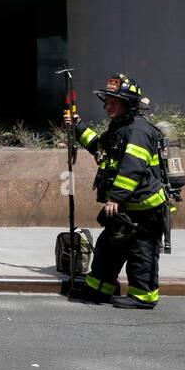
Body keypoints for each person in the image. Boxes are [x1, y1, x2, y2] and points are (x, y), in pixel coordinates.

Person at [64, 73, 167, 309]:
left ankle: (143, 297)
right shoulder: (120, 127)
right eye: (107, 102)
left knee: (141, 253)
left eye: (114, 102)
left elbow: (133, 167)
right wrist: (78, 126)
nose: (108, 106)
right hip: (126, 208)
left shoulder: (139, 131)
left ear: (128, 104)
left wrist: (116, 197)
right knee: (109, 248)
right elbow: (100, 148)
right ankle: (98, 289)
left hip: (145, 208)